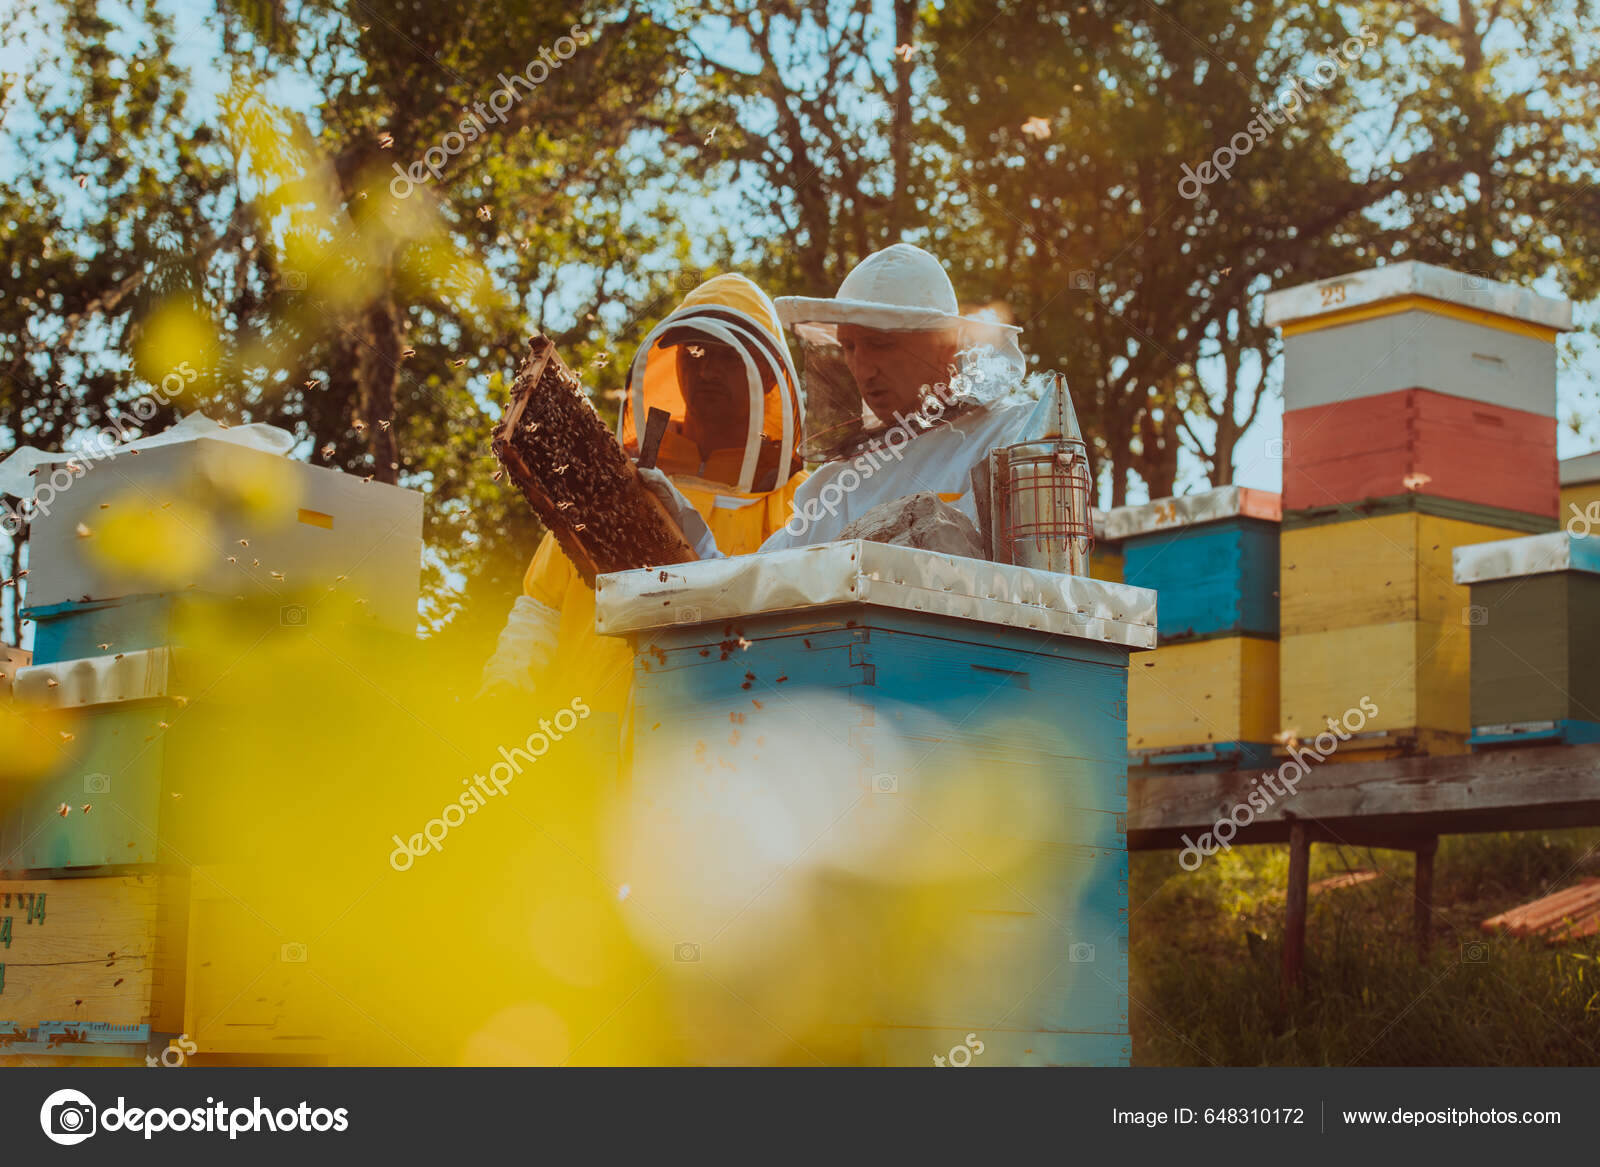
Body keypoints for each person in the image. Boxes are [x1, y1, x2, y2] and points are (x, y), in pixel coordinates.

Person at [479, 273, 807, 709]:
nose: (706, 369)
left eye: (725, 357)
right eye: (694, 353)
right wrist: (504, 689)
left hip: (705, 745)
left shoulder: (796, 500)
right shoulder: (606, 475)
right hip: (577, 737)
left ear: (768, 377)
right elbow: (541, 605)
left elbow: (796, 639)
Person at [647, 243, 1055, 555]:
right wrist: (679, 526)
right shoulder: (835, 484)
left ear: (947, 346)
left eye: (880, 344)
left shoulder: (1014, 437)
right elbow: (750, 585)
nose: (862, 369)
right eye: (850, 348)